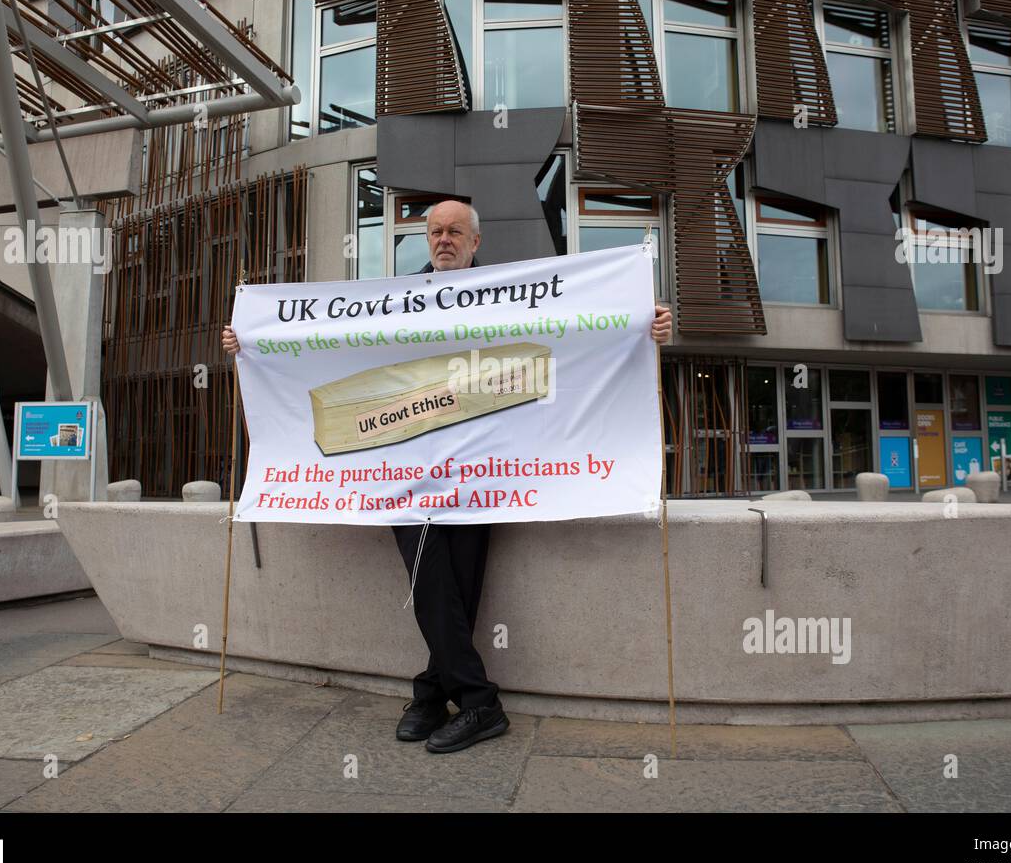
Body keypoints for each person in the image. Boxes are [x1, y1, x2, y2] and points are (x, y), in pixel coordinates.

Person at [222, 199, 673, 752]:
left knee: (459, 587)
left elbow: (581, 332)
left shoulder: (513, 296)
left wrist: (643, 325)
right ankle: (480, 703)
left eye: (455, 231)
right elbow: (331, 351)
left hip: (482, 473)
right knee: (427, 577)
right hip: (404, 471)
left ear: (476, 242)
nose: (444, 239)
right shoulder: (392, 303)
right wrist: (253, 342)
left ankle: (434, 694)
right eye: (435, 231)